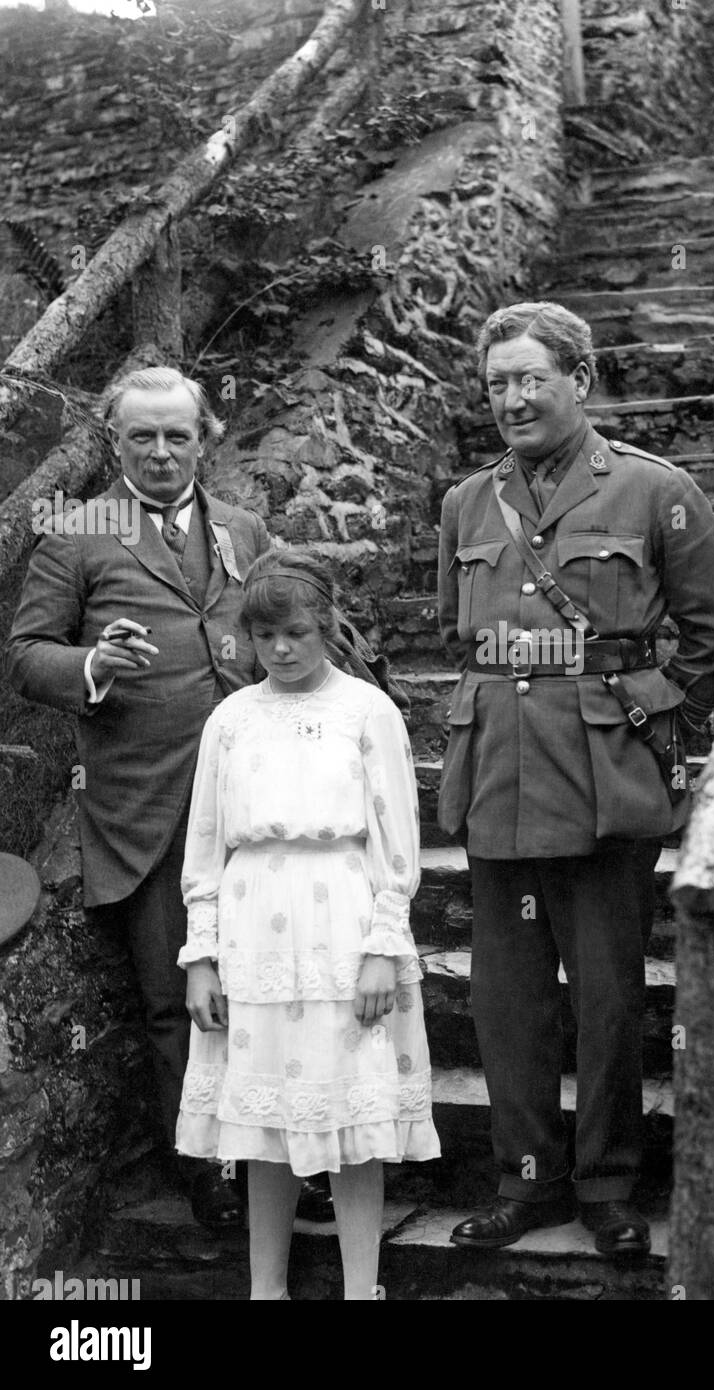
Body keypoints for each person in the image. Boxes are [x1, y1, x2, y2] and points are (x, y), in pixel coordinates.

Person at [437, 302, 714, 1257]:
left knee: (609, 997)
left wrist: (657, 720)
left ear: (582, 379)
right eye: (498, 384)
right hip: (498, 775)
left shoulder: (657, 491)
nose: (515, 399)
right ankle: (525, 1184)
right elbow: (462, 627)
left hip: (608, 775)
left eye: (533, 378)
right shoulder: (464, 503)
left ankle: (611, 1187)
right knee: (505, 997)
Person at [5, 366, 270, 1230]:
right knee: (173, 997)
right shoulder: (78, 535)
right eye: (140, 437)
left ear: (205, 439)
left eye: (177, 436)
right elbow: (26, 654)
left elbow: (286, 637)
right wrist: (91, 666)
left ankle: (282, 1158)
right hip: (146, 808)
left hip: (257, 799)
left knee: (274, 980)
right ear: (114, 443)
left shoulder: (242, 528)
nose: (160, 453)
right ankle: (205, 1169)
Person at [175, 551, 439, 1300]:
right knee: (265, 1126)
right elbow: (205, 841)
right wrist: (204, 954)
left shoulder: (366, 712)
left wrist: (385, 946)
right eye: (264, 638)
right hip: (254, 923)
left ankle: (362, 1288)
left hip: (344, 922)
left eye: (294, 632)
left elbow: (397, 835)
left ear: (325, 625)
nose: (281, 651)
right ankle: (267, 1288)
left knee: (353, 1121)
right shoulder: (231, 719)